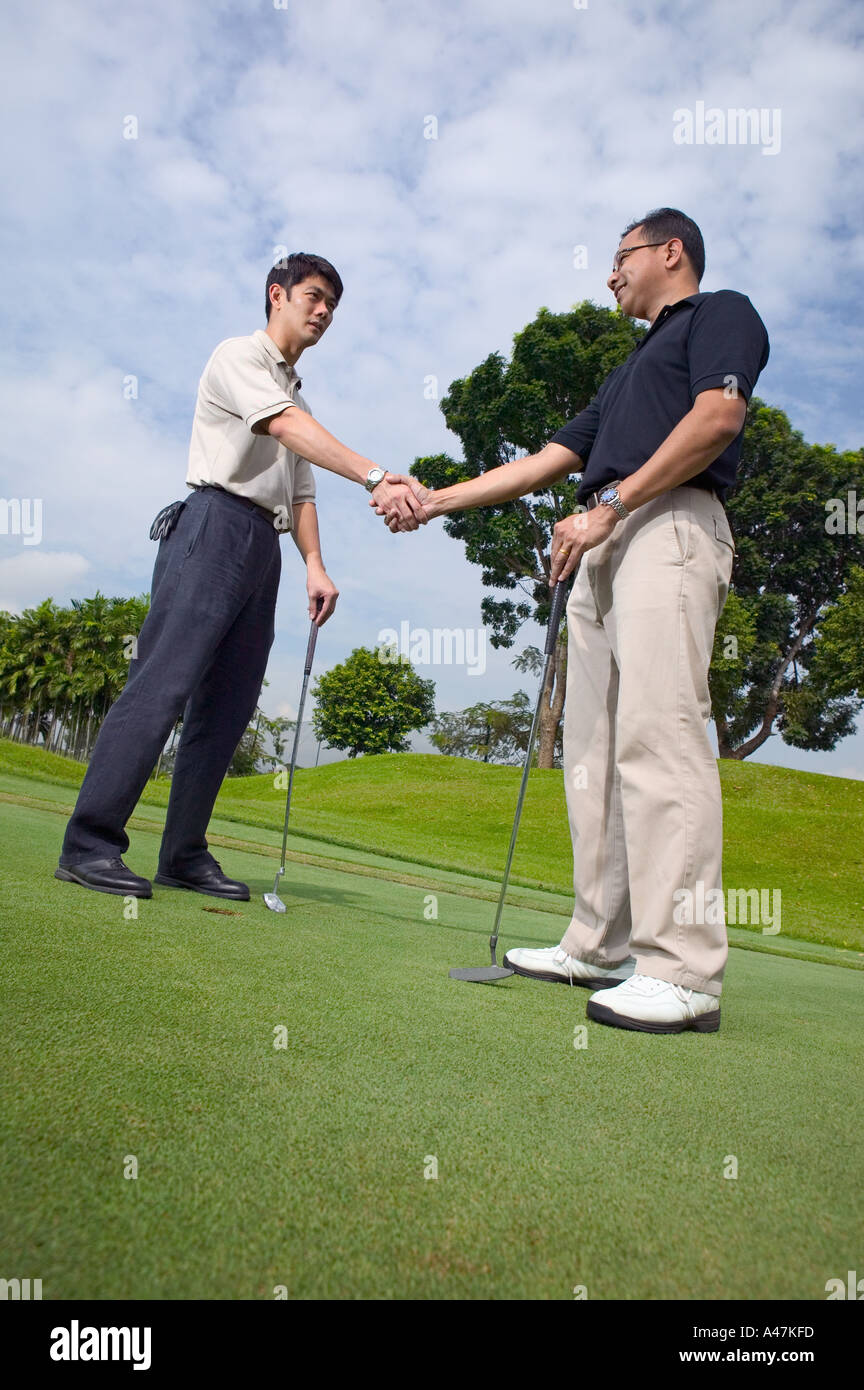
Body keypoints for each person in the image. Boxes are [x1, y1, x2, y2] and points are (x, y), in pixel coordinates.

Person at [378, 209, 769, 1033]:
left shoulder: (721, 313)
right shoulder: (627, 372)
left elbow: (717, 419)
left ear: (671, 252)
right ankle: (598, 943)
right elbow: (546, 464)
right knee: (593, 752)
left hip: (667, 525)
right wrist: (432, 501)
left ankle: (686, 970)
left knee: (660, 735)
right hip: (599, 546)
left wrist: (615, 503)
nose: (609, 275)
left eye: (619, 257)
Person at [56, 252, 428, 901]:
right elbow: (283, 427)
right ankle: (89, 842)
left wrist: (314, 564)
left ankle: (183, 853)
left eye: (333, 306)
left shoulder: (296, 399)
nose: (324, 312)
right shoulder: (239, 357)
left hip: (264, 547)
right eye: (314, 296)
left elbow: (303, 493)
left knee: (227, 710)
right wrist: (376, 474)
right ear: (276, 294)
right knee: (164, 685)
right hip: (212, 523)